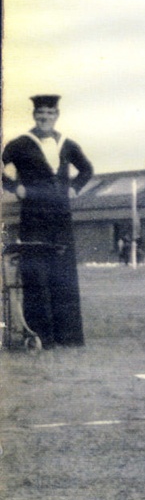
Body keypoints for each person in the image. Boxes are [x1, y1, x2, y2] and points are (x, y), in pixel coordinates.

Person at [2, 95, 93, 348]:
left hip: (61, 216)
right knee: (38, 275)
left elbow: (86, 169)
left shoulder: (67, 144)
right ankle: (43, 337)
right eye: (40, 113)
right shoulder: (20, 144)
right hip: (33, 215)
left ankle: (69, 338)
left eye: (50, 113)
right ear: (34, 115)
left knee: (63, 274)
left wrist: (74, 187)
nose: (45, 117)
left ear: (57, 115)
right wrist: (14, 187)